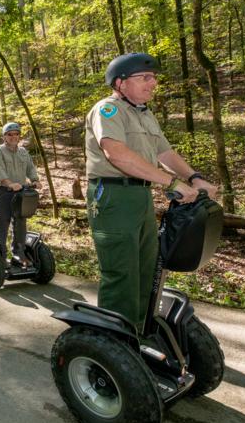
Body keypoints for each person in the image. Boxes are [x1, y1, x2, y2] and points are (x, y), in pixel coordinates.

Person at [85, 53, 219, 332]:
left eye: (154, 77)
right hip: (112, 197)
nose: (153, 83)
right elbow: (116, 154)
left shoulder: (145, 115)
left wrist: (194, 177)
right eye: (145, 77)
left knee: (147, 269)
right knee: (121, 273)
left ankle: (138, 331)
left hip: (141, 197)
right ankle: (115, 343)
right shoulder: (107, 110)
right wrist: (170, 183)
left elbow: (165, 152)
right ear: (121, 83)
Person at [0, 122, 40, 266]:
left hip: (21, 192)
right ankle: (1, 257)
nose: (13, 137)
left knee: (20, 223)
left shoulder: (23, 152)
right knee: (2, 224)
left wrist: (35, 180)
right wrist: (9, 183)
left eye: (16, 134)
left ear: (19, 136)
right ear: (4, 137)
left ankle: (19, 254)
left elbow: (30, 167)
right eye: (9, 134)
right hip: (3, 192)